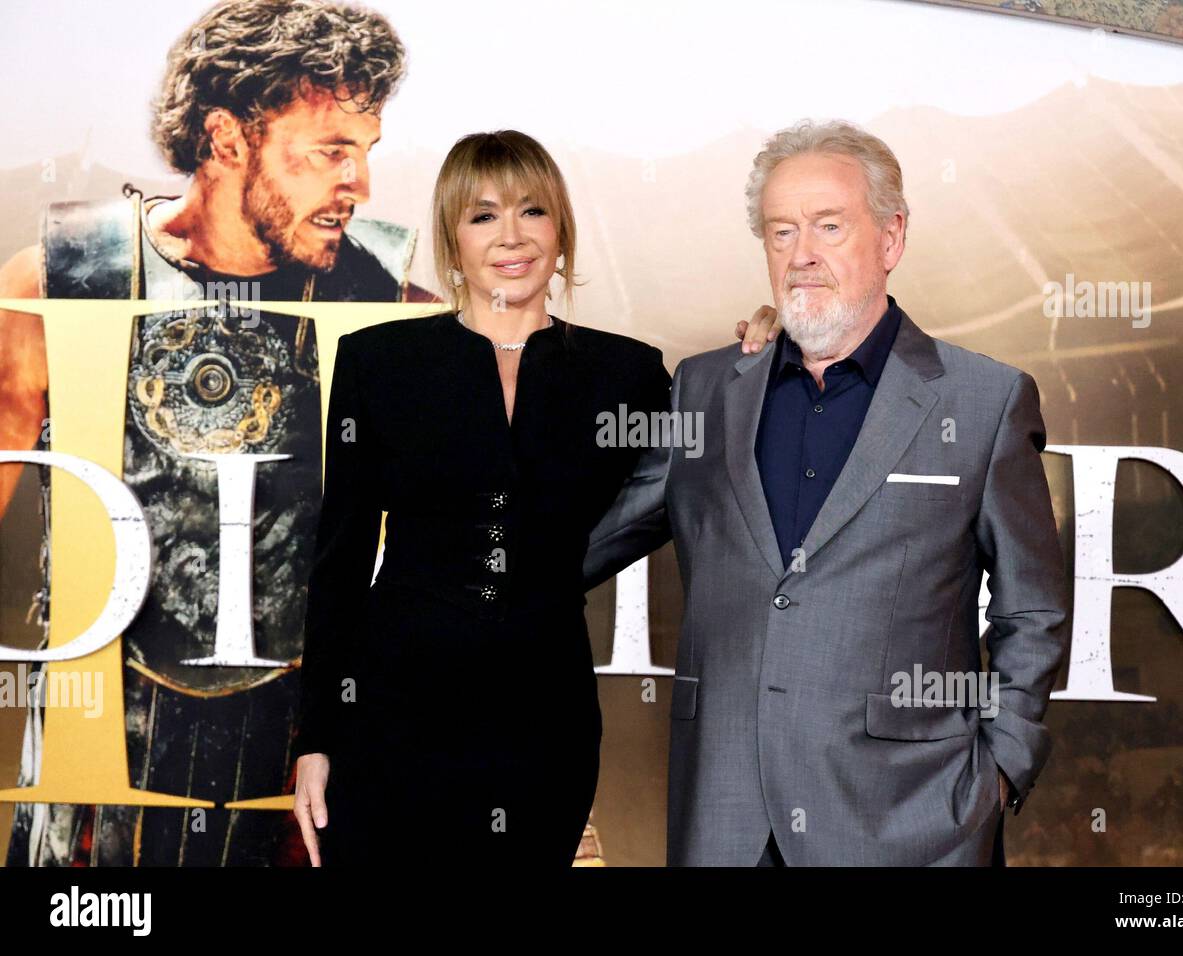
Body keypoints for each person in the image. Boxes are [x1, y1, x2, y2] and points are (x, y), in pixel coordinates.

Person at [0, 0, 424, 867]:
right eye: (331, 151)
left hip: (301, 783)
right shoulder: (63, 284)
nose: (361, 184)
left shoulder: (386, 302)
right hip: (97, 780)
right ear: (228, 137)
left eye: (367, 151)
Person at [584, 118, 1071, 866]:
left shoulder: (984, 402)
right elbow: (588, 540)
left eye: (828, 226)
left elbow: (1031, 610)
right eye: (780, 233)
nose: (801, 254)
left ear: (892, 238)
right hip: (727, 820)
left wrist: (998, 771)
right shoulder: (706, 389)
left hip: (912, 824)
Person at [289, 129, 777, 866]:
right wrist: (317, 737)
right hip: (392, 710)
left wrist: (760, 360)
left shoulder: (628, 375)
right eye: (483, 215)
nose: (511, 238)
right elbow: (340, 563)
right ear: (453, 238)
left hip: (543, 716)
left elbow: (703, 468)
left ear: (562, 231)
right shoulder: (380, 363)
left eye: (532, 212)